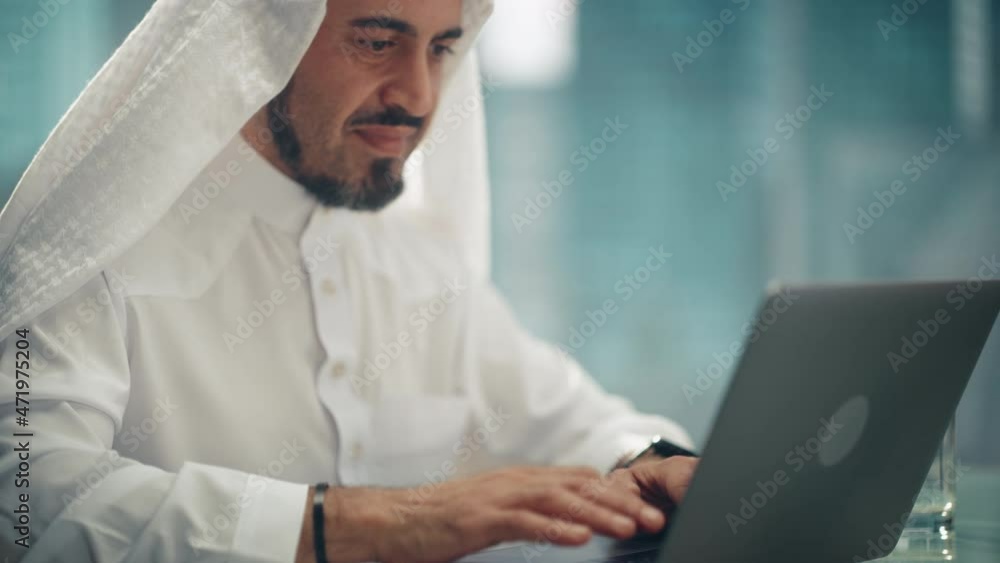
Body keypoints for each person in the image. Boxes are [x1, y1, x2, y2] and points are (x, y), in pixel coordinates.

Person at [0, 1, 698, 561]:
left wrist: (651, 465)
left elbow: (570, 420)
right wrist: (381, 523)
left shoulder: (418, 259)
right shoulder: (88, 254)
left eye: (441, 48)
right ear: (261, 36)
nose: (418, 94)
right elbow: (24, 498)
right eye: (375, 42)